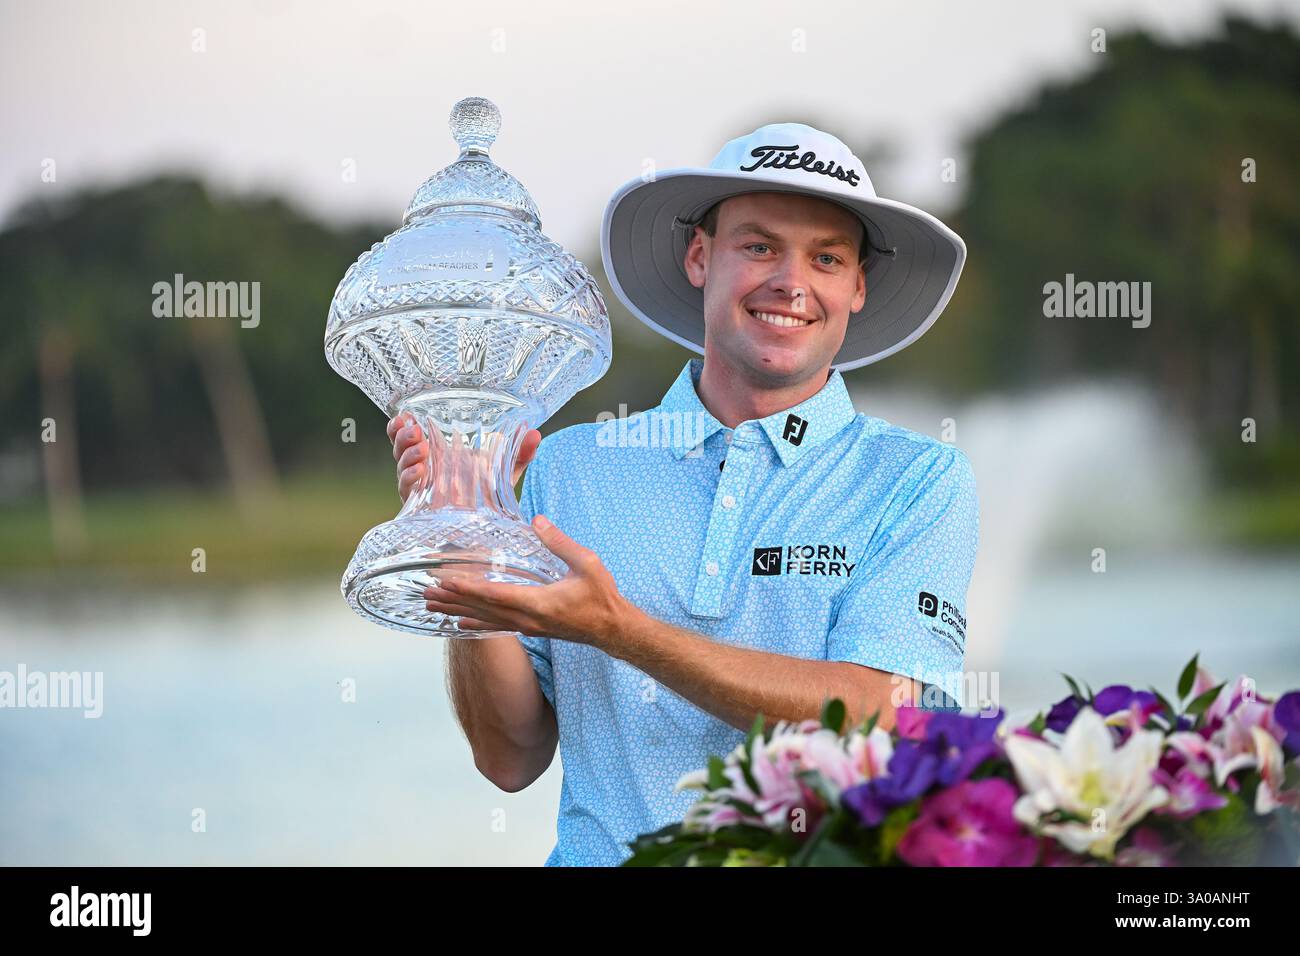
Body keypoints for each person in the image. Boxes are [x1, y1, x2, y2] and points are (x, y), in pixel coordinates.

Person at [387, 121, 977, 866]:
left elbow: (882, 720)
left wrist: (620, 630)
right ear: (701, 257)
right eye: (758, 246)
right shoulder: (570, 467)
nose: (791, 283)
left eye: (826, 257)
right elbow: (509, 758)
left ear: (856, 286)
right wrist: (470, 539)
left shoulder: (918, 480)